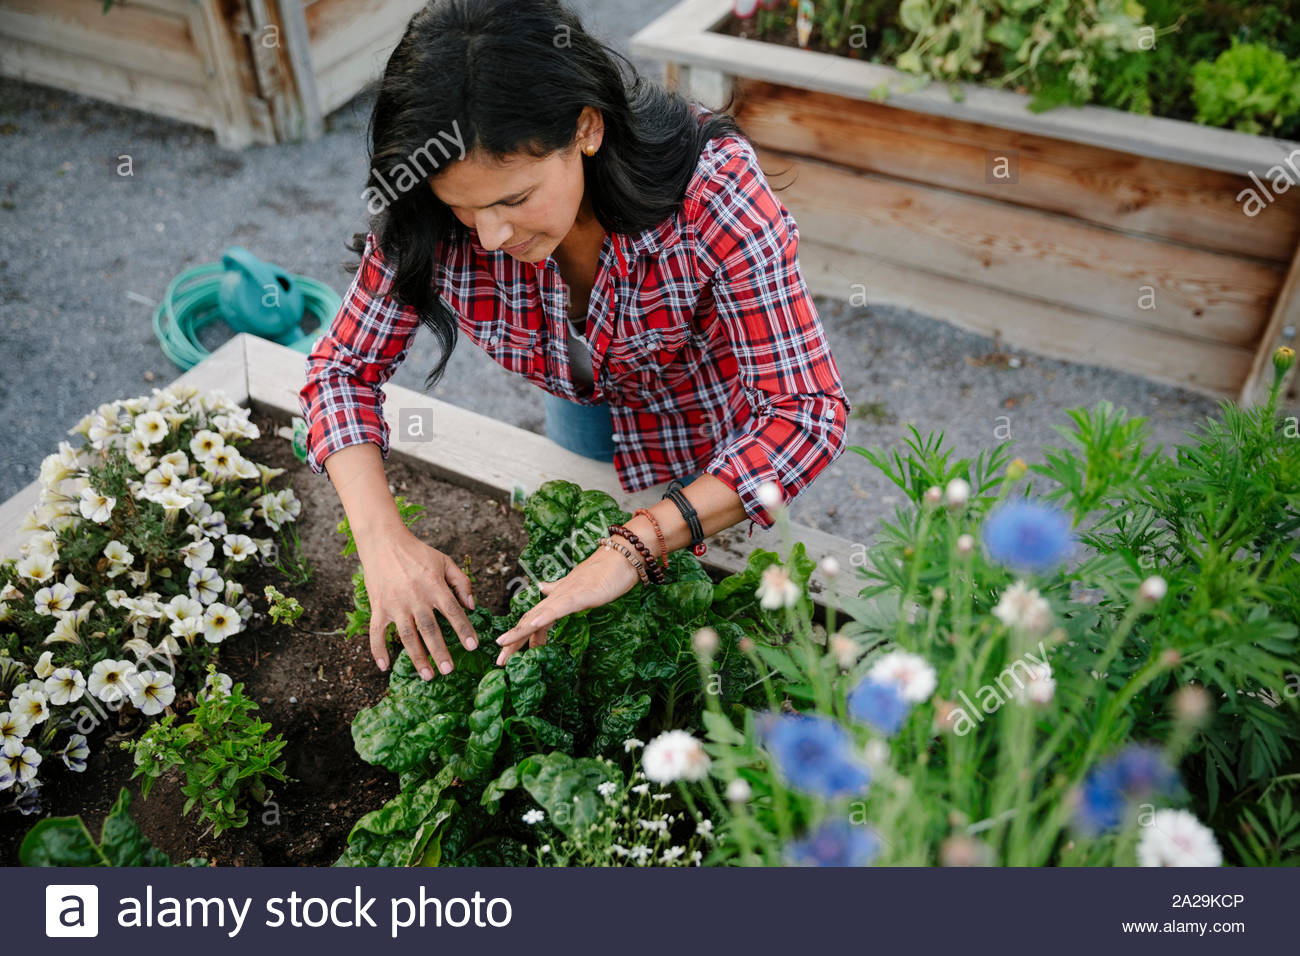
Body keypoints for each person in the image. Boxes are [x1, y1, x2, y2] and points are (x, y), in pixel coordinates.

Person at [297, 0, 851, 683]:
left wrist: (635, 544)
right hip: (585, 399)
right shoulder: (426, 213)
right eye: (462, 208)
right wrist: (383, 543)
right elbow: (341, 370)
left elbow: (803, 414)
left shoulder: (714, 194)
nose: (491, 237)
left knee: (725, 593)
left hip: (717, 419)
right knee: (588, 528)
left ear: (586, 128)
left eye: (512, 199)